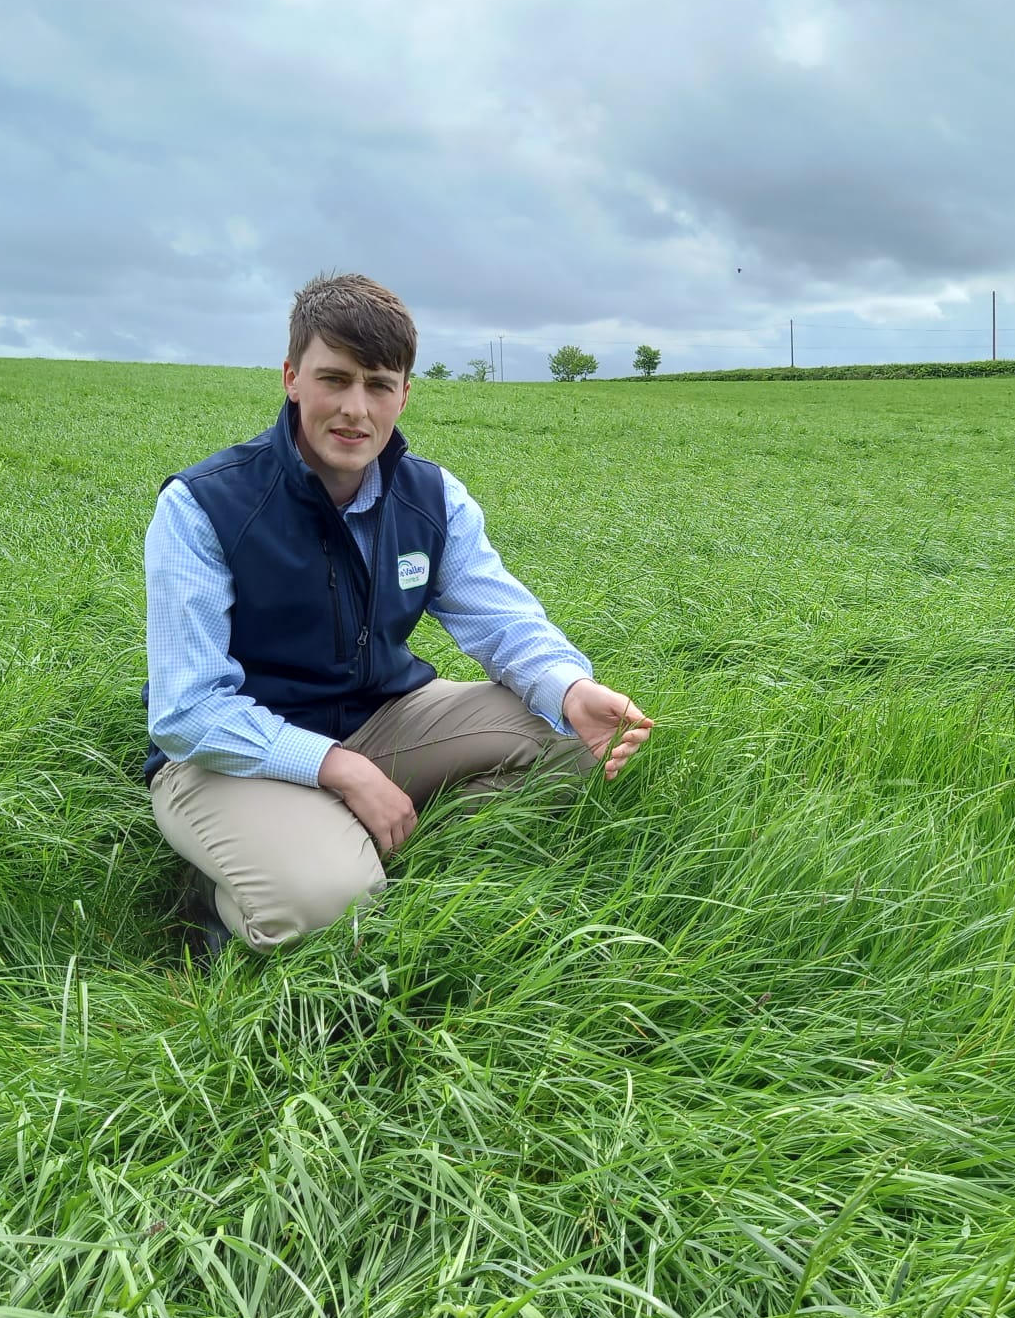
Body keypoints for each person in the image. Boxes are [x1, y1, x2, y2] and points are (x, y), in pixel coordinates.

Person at [143, 272, 654, 957]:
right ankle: (223, 893)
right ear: (292, 377)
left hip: (382, 720)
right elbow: (187, 712)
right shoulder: (204, 506)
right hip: (230, 757)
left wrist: (571, 686)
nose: (357, 408)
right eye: (336, 379)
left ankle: (348, 845)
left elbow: (501, 621)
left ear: (405, 393)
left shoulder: (430, 498)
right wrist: (338, 769)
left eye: (379, 385)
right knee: (333, 908)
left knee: (577, 740)